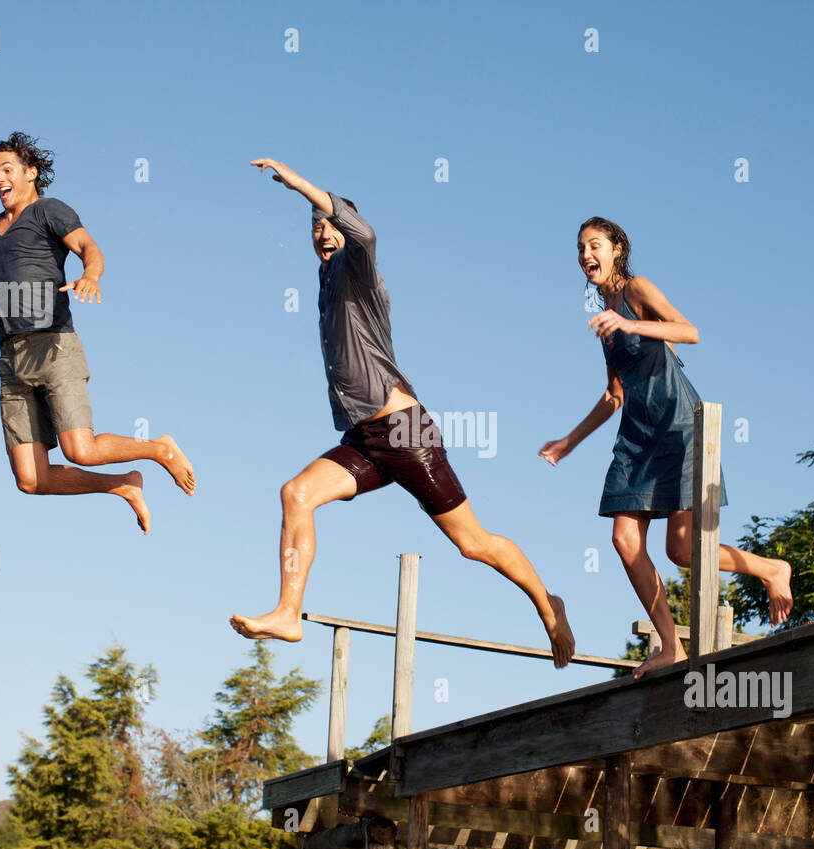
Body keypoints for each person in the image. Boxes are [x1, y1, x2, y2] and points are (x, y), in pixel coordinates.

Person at [230, 158, 576, 667]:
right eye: (314, 228)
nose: (322, 233)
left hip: (405, 432)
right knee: (296, 494)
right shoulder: (325, 282)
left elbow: (364, 234)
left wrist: (301, 185)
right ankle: (288, 611)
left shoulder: (359, 270)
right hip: (365, 440)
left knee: (472, 543)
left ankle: (549, 604)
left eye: (329, 224)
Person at [0, 132, 194, 534]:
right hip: (12, 358)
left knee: (80, 450)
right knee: (32, 480)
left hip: (54, 345)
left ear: (30, 173)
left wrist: (91, 275)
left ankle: (158, 448)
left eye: (7, 169)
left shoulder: (49, 211)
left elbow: (89, 246)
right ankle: (124, 484)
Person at [539, 217, 793, 678]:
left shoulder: (636, 290)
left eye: (594, 245)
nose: (584, 256)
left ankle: (771, 569)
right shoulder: (605, 313)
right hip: (636, 432)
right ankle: (670, 644)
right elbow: (614, 395)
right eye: (579, 249)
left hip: (678, 422)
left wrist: (634, 324)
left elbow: (689, 330)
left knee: (682, 548)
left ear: (617, 248)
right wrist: (567, 443)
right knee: (623, 539)